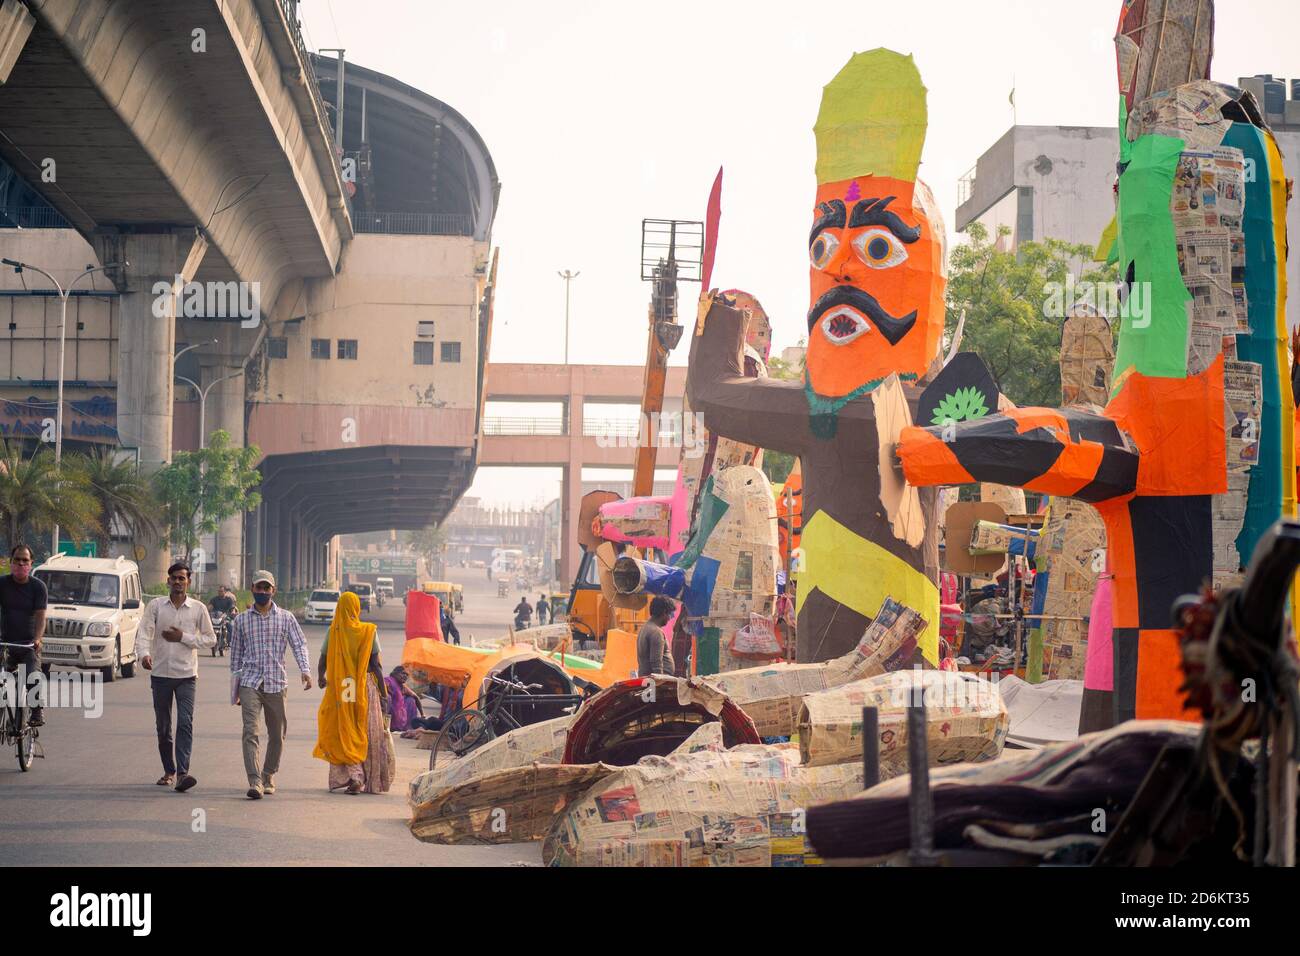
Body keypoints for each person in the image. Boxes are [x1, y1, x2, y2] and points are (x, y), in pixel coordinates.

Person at [229, 569, 312, 799]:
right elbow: (235, 658)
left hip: (276, 682)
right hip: (250, 683)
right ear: (252, 589)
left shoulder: (286, 618)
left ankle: (268, 773)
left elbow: (299, 644)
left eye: (267, 588)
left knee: (277, 734)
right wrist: (234, 691)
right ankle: (255, 781)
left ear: (273, 591)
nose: (263, 592)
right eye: (259, 587)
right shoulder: (241, 621)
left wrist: (305, 670)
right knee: (250, 732)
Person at [138, 560, 216, 791]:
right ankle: (168, 770)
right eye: (174, 578)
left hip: (186, 675)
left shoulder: (198, 608)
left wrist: (184, 637)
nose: (178, 582)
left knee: (185, 722)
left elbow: (211, 639)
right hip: (160, 674)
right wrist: (143, 654)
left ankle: (183, 773)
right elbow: (144, 632)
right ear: (168, 581)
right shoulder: (156, 606)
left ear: (188, 582)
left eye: (182, 578)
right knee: (163, 726)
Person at [314, 591, 394, 794]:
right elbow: (376, 666)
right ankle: (359, 776)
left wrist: (321, 678)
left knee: (344, 730)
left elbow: (322, 660)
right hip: (363, 689)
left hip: (342, 688)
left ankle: (353, 776)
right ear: (357, 608)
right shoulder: (368, 631)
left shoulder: (334, 632)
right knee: (364, 731)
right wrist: (384, 694)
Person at [0, 544, 46, 727]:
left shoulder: (38, 587)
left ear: (31, 563)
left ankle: (37, 711)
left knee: (32, 676)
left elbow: (41, 617)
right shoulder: (2, 584)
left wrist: (37, 639)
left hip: (28, 645)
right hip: (4, 644)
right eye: (17, 560)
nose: (21, 564)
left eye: (25, 560)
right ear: (11, 562)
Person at [384, 665, 442, 736]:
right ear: (395, 673)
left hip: (399, 718)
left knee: (411, 700)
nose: (405, 676)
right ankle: (385, 724)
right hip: (388, 714)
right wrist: (385, 691)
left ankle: (407, 726)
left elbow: (416, 697)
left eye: (406, 675)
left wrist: (422, 714)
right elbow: (383, 686)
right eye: (403, 673)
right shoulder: (388, 680)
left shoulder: (403, 687)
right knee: (388, 698)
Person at [636, 596, 675, 679]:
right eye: (670, 615)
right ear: (664, 612)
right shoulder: (656, 632)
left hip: (647, 679)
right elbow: (656, 662)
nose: (669, 619)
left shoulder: (645, 627)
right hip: (656, 682)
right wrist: (660, 683)